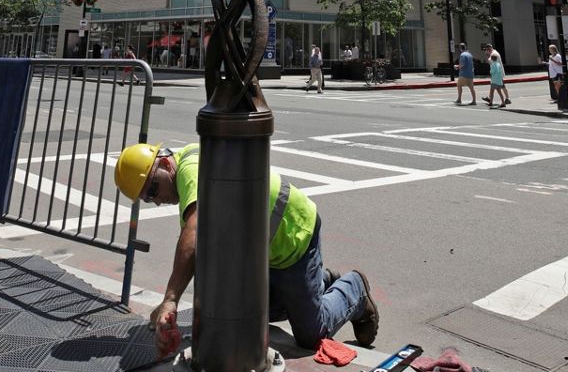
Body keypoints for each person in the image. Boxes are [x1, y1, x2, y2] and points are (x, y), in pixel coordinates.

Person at [113, 142, 379, 356]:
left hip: (293, 237)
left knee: (310, 335)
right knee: (249, 313)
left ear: (164, 161)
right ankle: (318, 283)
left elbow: (194, 233)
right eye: (148, 197)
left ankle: (353, 289)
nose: (156, 199)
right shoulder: (187, 182)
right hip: (265, 252)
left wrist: (170, 299)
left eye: (154, 187)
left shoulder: (189, 168)